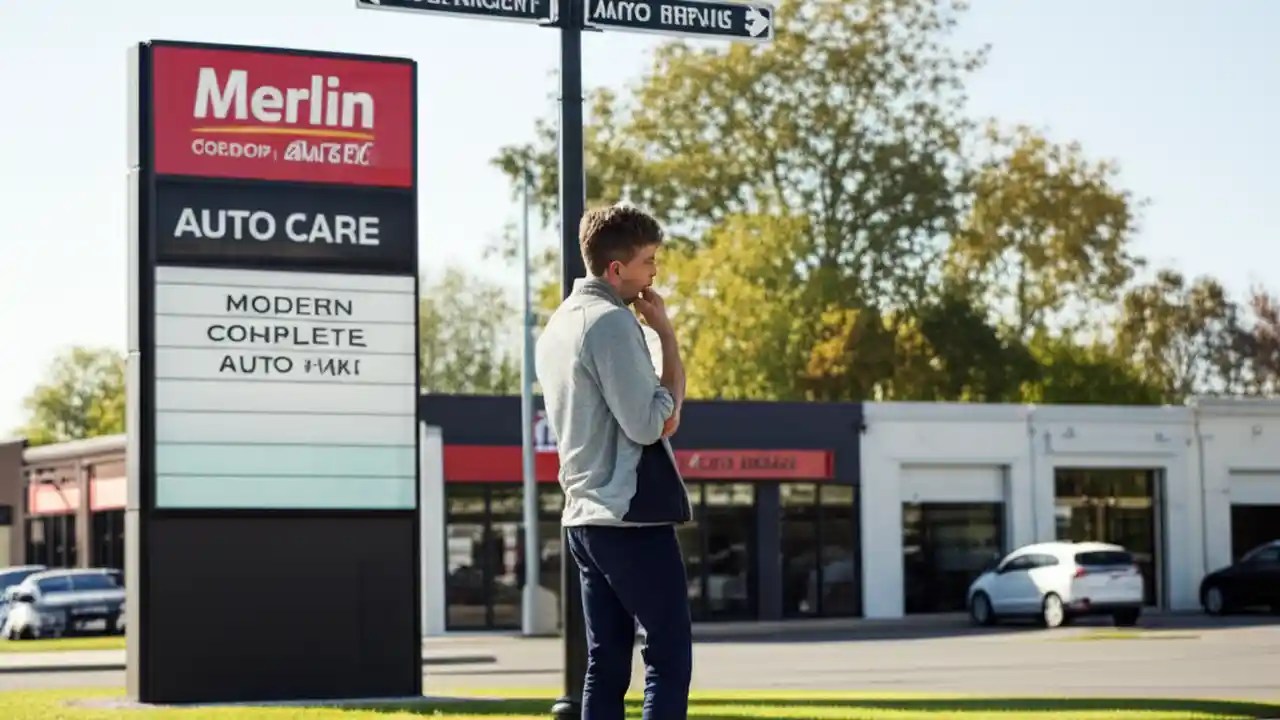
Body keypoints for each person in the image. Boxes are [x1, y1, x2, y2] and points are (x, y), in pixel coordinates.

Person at [535, 203, 692, 720]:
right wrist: (665, 334)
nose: (655, 273)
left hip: (584, 519)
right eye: (648, 261)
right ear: (616, 269)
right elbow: (651, 424)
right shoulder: (610, 324)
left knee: (605, 660)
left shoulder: (558, 326)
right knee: (669, 657)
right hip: (630, 517)